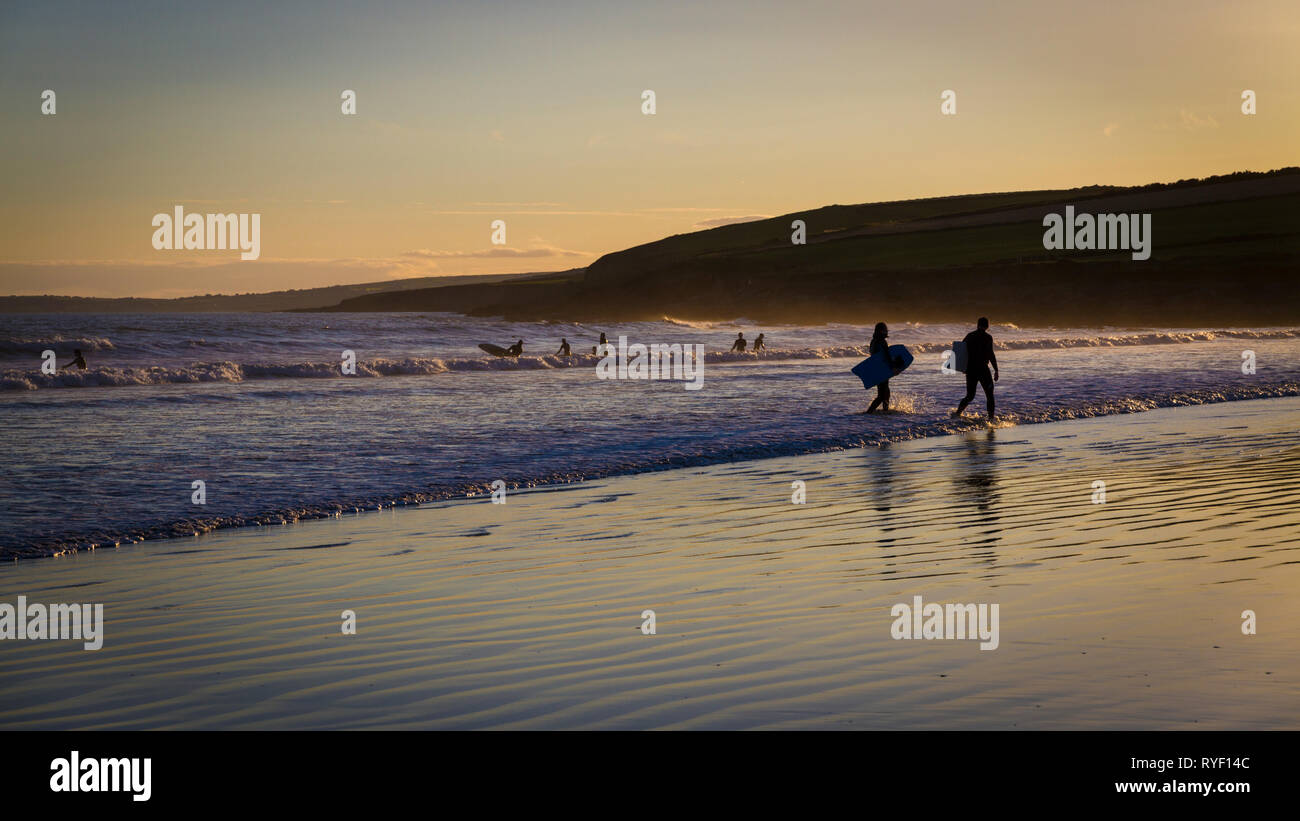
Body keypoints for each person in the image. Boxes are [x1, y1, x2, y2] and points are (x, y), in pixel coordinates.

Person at [953, 317, 999, 419]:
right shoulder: (988, 337)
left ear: (977, 325)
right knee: (990, 395)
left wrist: (963, 367)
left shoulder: (970, 336)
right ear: (987, 326)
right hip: (983, 370)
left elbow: (961, 351)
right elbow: (991, 354)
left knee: (970, 396)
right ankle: (991, 419)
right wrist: (996, 370)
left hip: (971, 370)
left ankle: (957, 414)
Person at [865, 322, 892, 413]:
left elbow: (874, 356)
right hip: (882, 370)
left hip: (877, 369)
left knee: (886, 393)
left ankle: (885, 411)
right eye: (885, 330)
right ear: (881, 331)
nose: (886, 332)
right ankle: (869, 412)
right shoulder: (882, 341)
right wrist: (894, 365)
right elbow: (887, 356)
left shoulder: (873, 341)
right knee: (882, 395)